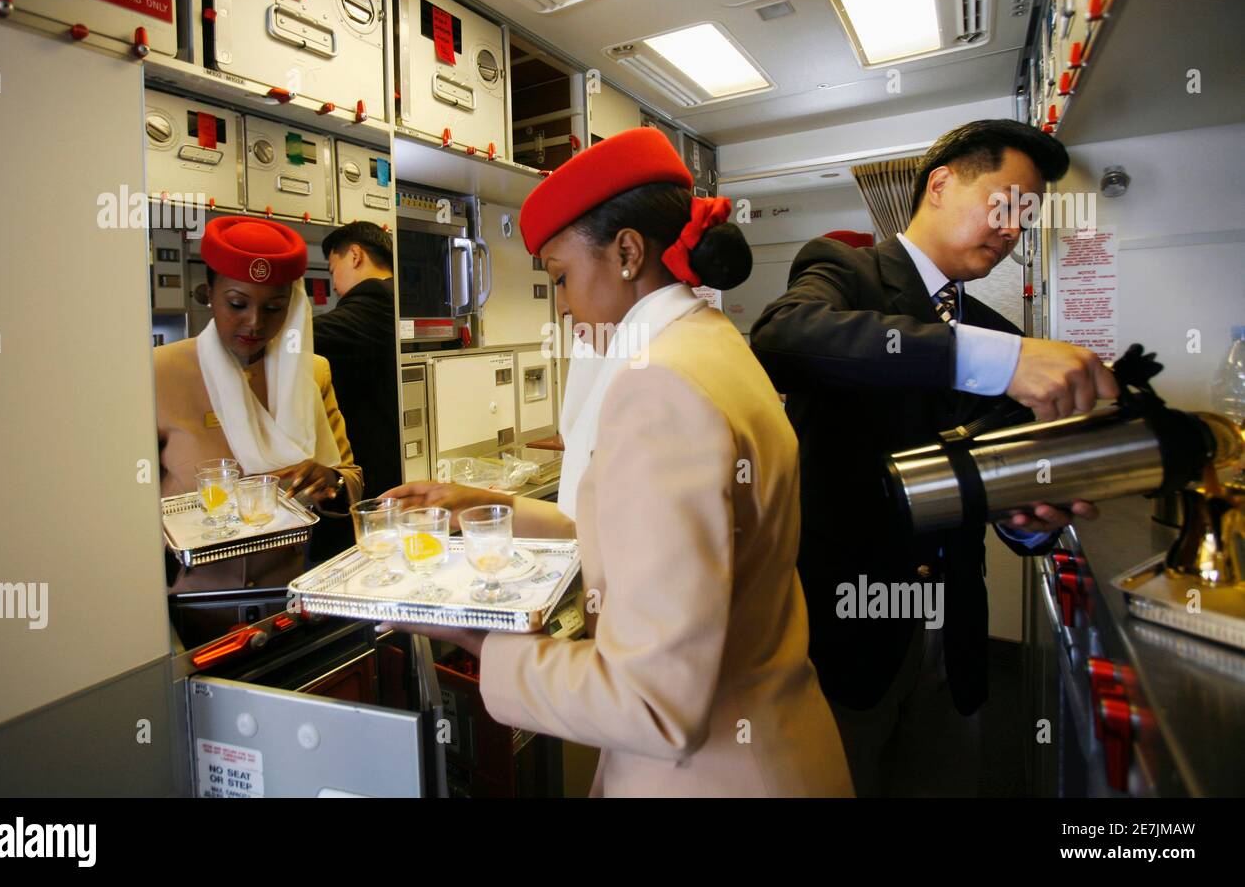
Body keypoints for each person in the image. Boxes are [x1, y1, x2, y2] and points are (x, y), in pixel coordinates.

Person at [382, 128, 853, 798]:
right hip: (776, 740)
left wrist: (476, 634)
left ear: (628, 252)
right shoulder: (711, 342)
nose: (563, 307)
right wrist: (493, 508)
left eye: (561, 278)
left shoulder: (655, 386)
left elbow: (652, 704)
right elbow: (646, 541)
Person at [749, 119, 1120, 796]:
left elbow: (1000, 476)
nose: (1013, 231)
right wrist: (995, 360)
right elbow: (782, 338)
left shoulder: (997, 333)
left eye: (1026, 218)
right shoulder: (849, 272)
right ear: (942, 184)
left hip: (953, 635)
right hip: (847, 631)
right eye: (1005, 205)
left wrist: (1028, 517)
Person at [154, 216, 363, 598]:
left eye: (274, 309)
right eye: (237, 304)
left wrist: (329, 480)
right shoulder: (160, 372)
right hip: (193, 598)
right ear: (209, 293)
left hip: (287, 593)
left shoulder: (311, 373)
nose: (254, 323)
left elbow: (350, 479)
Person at [316, 222, 403, 499]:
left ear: (355, 255)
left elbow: (305, 337)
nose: (334, 285)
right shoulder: (403, 295)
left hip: (378, 472)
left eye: (333, 270)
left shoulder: (376, 299)